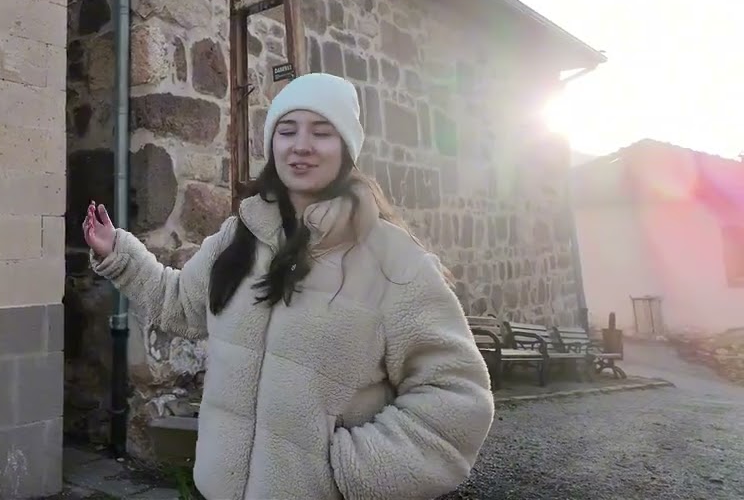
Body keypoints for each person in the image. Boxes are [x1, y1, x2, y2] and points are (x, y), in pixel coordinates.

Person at [82, 72, 495, 500]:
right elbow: (178, 305)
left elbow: (456, 398)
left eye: (322, 132)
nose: (301, 146)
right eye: (287, 130)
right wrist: (118, 253)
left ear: (347, 149)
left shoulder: (391, 258)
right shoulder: (237, 236)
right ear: (272, 143)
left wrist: (350, 471)